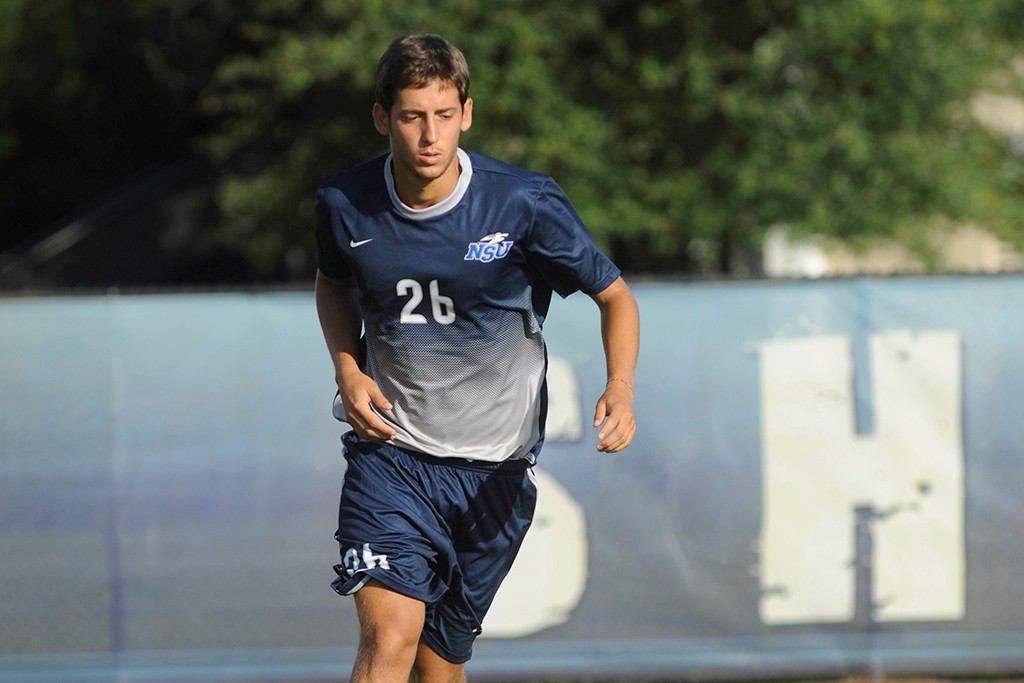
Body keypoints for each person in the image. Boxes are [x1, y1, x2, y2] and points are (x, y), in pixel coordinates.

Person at [314, 32, 640, 683]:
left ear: (466, 112)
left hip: (496, 474)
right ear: (382, 118)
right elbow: (333, 282)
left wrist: (621, 386)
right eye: (411, 116)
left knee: (439, 666)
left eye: (443, 114)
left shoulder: (523, 202)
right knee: (389, 639)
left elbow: (615, 297)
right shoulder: (344, 203)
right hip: (393, 457)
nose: (429, 135)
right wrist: (347, 368)